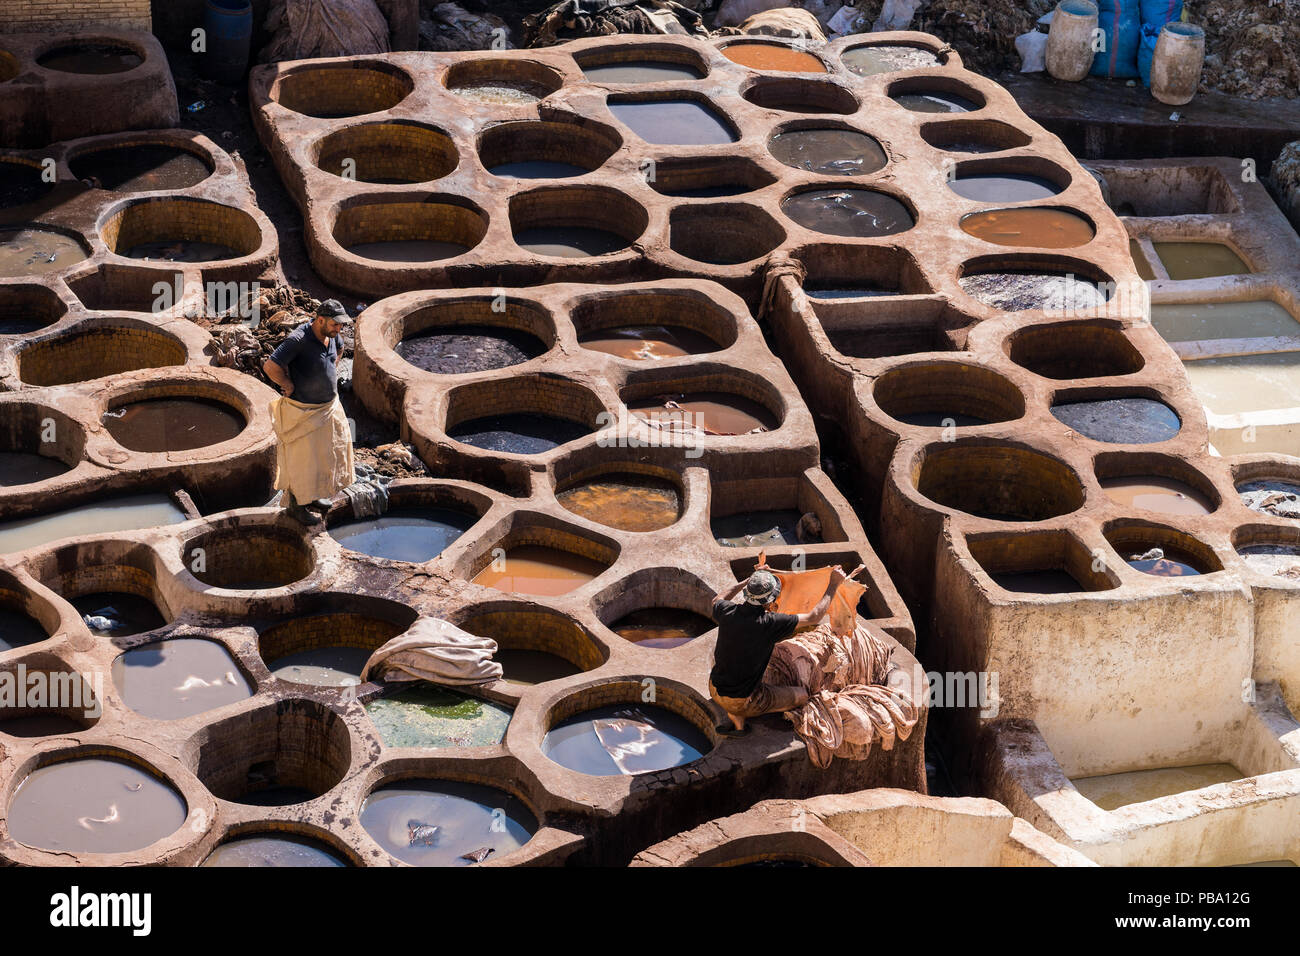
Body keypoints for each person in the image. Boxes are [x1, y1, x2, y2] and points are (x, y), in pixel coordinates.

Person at [708, 564, 847, 736]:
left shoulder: (727, 611)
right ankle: (741, 712)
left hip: (714, 688)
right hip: (743, 700)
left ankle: (739, 727)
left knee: (730, 666)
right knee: (802, 695)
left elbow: (717, 599)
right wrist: (834, 583)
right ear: (771, 602)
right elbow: (814, 617)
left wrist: (750, 580)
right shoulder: (769, 624)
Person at [262, 299, 355, 525]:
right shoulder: (299, 340)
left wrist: (328, 369)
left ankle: (314, 497)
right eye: (335, 324)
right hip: (303, 410)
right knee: (303, 462)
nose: (339, 329)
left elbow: (340, 349)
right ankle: (296, 507)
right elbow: (270, 366)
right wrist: (287, 384)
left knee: (325, 456)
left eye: (341, 325)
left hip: (328, 407)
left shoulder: (332, 337)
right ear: (320, 320)